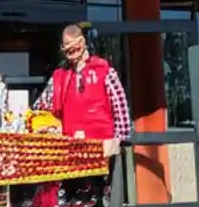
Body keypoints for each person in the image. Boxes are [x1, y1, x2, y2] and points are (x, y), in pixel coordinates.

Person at [33, 24, 132, 153]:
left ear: (83, 43)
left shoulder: (103, 70)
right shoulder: (60, 77)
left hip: (103, 149)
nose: (71, 53)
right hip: (71, 149)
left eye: (75, 48)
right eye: (68, 50)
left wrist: (118, 142)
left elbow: (120, 107)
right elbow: (41, 107)